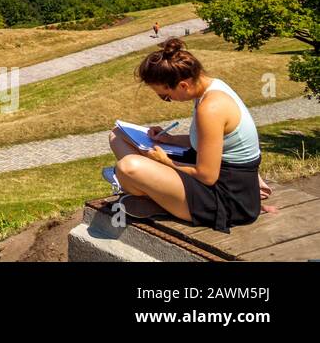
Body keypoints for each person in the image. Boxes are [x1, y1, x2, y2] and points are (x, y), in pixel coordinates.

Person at [107, 38, 262, 231]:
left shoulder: (211, 108)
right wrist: (170, 140)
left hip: (228, 197)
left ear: (182, 85)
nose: (167, 100)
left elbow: (207, 176)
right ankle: (158, 196)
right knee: (117, 136)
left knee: (128, 168)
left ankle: (157, 198)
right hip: (208, 171)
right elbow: (210, 142)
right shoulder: (211, 88)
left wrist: (165, 162)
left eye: (166, 96)